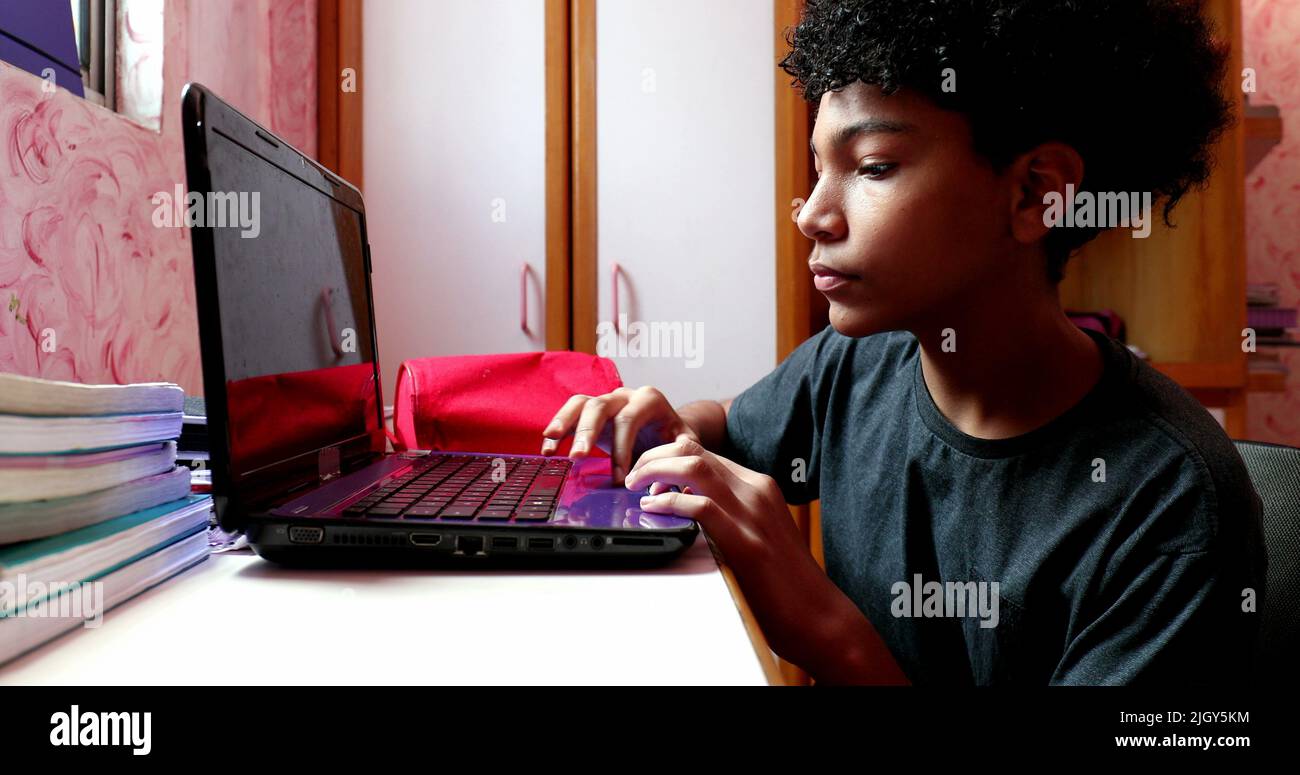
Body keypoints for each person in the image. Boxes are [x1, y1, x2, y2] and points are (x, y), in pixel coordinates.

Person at [541, 0, 1266, 685]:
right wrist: (673, 424)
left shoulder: (1172, 508)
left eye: (873, 167)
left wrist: (831, 635)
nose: (814, 215)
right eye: (821, 168)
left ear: (1035, 193)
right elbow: (731, 426)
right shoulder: (855, 364)